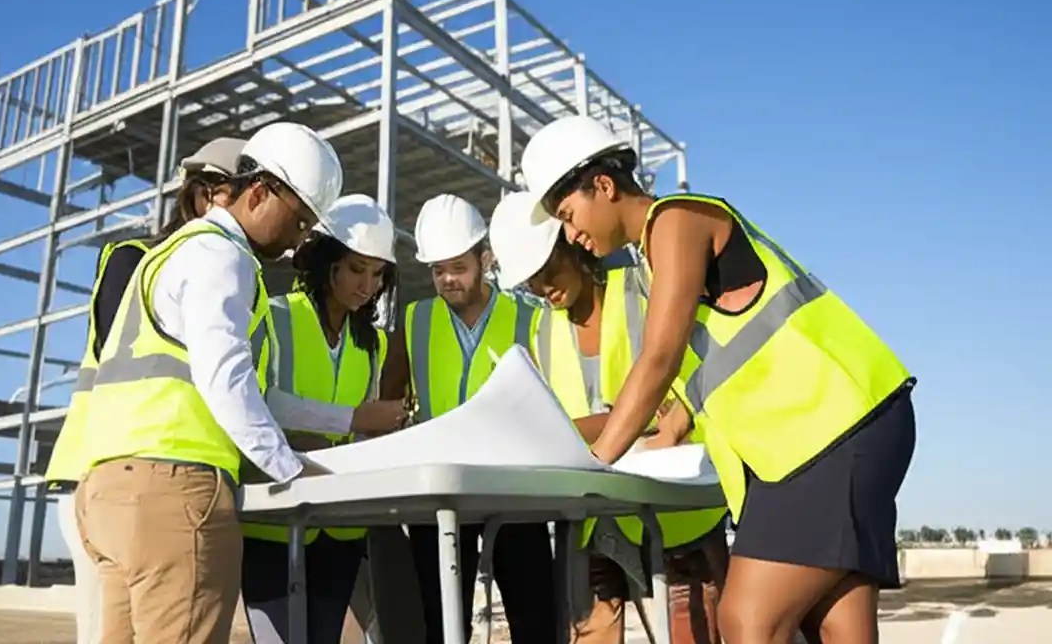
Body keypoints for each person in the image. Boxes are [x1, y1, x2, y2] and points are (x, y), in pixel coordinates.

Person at [519, 115, 917, 644]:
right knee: (835, 628)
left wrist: (595, 468)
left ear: (604, 186)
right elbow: (710, 363)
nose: (571, 235)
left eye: (568, 215)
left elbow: (660, 357)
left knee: (747, 620)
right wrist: (669, 429)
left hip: (833, 429)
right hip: (815, 441)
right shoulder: (649, 261)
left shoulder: (677, 220)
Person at [74, 121, 344, 644]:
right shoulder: (223, 256)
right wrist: (290, 470)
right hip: (174, 495)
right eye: (299, 221)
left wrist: (347, 420)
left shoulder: (171, 254)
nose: (299, 241)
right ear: (261, 193)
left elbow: (245, 390)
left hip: (109, 493)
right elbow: (227, 379)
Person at [489, 191, 730, 644]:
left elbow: (693, 387)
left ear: (572, 247)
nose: (543, 288)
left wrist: (595, 429)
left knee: (699, 632)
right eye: (531, 282)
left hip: (677, 512)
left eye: (547, 270)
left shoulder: (643, 290)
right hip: (593, 519)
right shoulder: (542, 331)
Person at [43, 136, 252, 644]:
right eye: (245, 194)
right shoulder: (149, 260)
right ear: (206, 196)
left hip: (119, 481)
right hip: (126, 476)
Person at [379, 193, 558, 644]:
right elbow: (389, 396)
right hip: (438, 494)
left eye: (457, 267)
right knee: (440, 625)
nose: (446, 280)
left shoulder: (529, 317)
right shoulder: (415, 320)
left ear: (485, 259)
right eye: (437, 270)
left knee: (534, 616)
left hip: (515, 490)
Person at [240, 193, 410, 643]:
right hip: (273, 517)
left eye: (378, 274)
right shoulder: (275, 317)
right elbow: (258, 402)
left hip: (340, 525)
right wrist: (354, 417)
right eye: (357, 269)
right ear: (327, 261)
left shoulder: (371, 343)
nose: (368, 285)